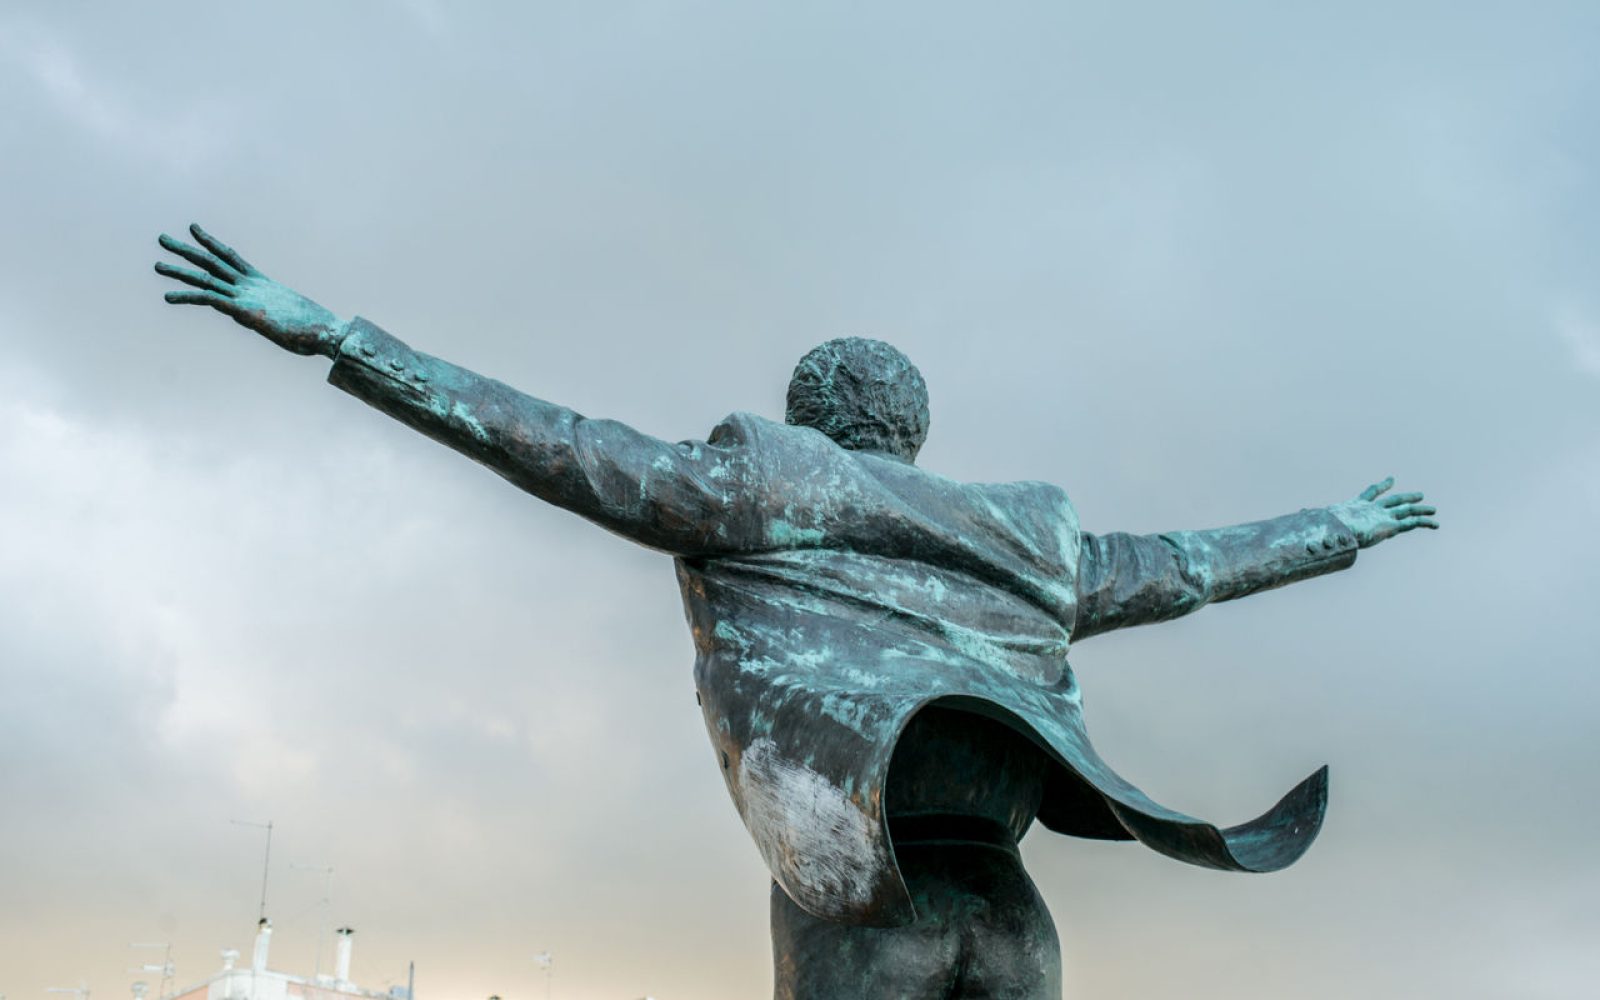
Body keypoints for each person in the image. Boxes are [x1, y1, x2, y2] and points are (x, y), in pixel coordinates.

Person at [157, 225, 1438, 999]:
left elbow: (543, 438)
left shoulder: (756, 486)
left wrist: (336, 334)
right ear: (915, 429)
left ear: (811, 414)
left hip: (860, 900)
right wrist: (1342, 529)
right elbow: (1190, 563)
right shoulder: (1030, 542)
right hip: (1008, 909)